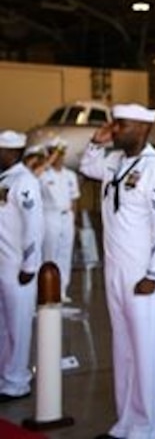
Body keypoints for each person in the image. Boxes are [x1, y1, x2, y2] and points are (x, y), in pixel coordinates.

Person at [80, 104, 155, 439]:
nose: (115, 129)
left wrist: (153, 274)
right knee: (122, 350)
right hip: (116, 271)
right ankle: (125, 424)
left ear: (143, 128)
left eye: (122, 125)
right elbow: (87, 165)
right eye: (115, 124)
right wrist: (96, 139)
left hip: (144, 275)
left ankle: (146, 428)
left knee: (145, 353)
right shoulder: (115, 163)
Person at [0, 131, 43, 402]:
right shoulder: (5, 179)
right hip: (2, 263)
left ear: (13, 152)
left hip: (17, 266)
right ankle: (5, 377)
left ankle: (17, 381)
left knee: (18, 325)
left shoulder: (24, 181)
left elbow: (33, 226)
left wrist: (30, 264)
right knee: (3, 326)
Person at [39, 137, 80, 302]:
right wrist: (48, 161)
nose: (59, 157)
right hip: (49, 216)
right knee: (49, 254)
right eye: (55, 153)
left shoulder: (70, 175)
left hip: (66, 217)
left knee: (65, 254)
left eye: (61, 153)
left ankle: (61, 290)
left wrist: (74, 220)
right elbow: (34, 176)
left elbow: (74, 199)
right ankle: (46, 289)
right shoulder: (43, 174)